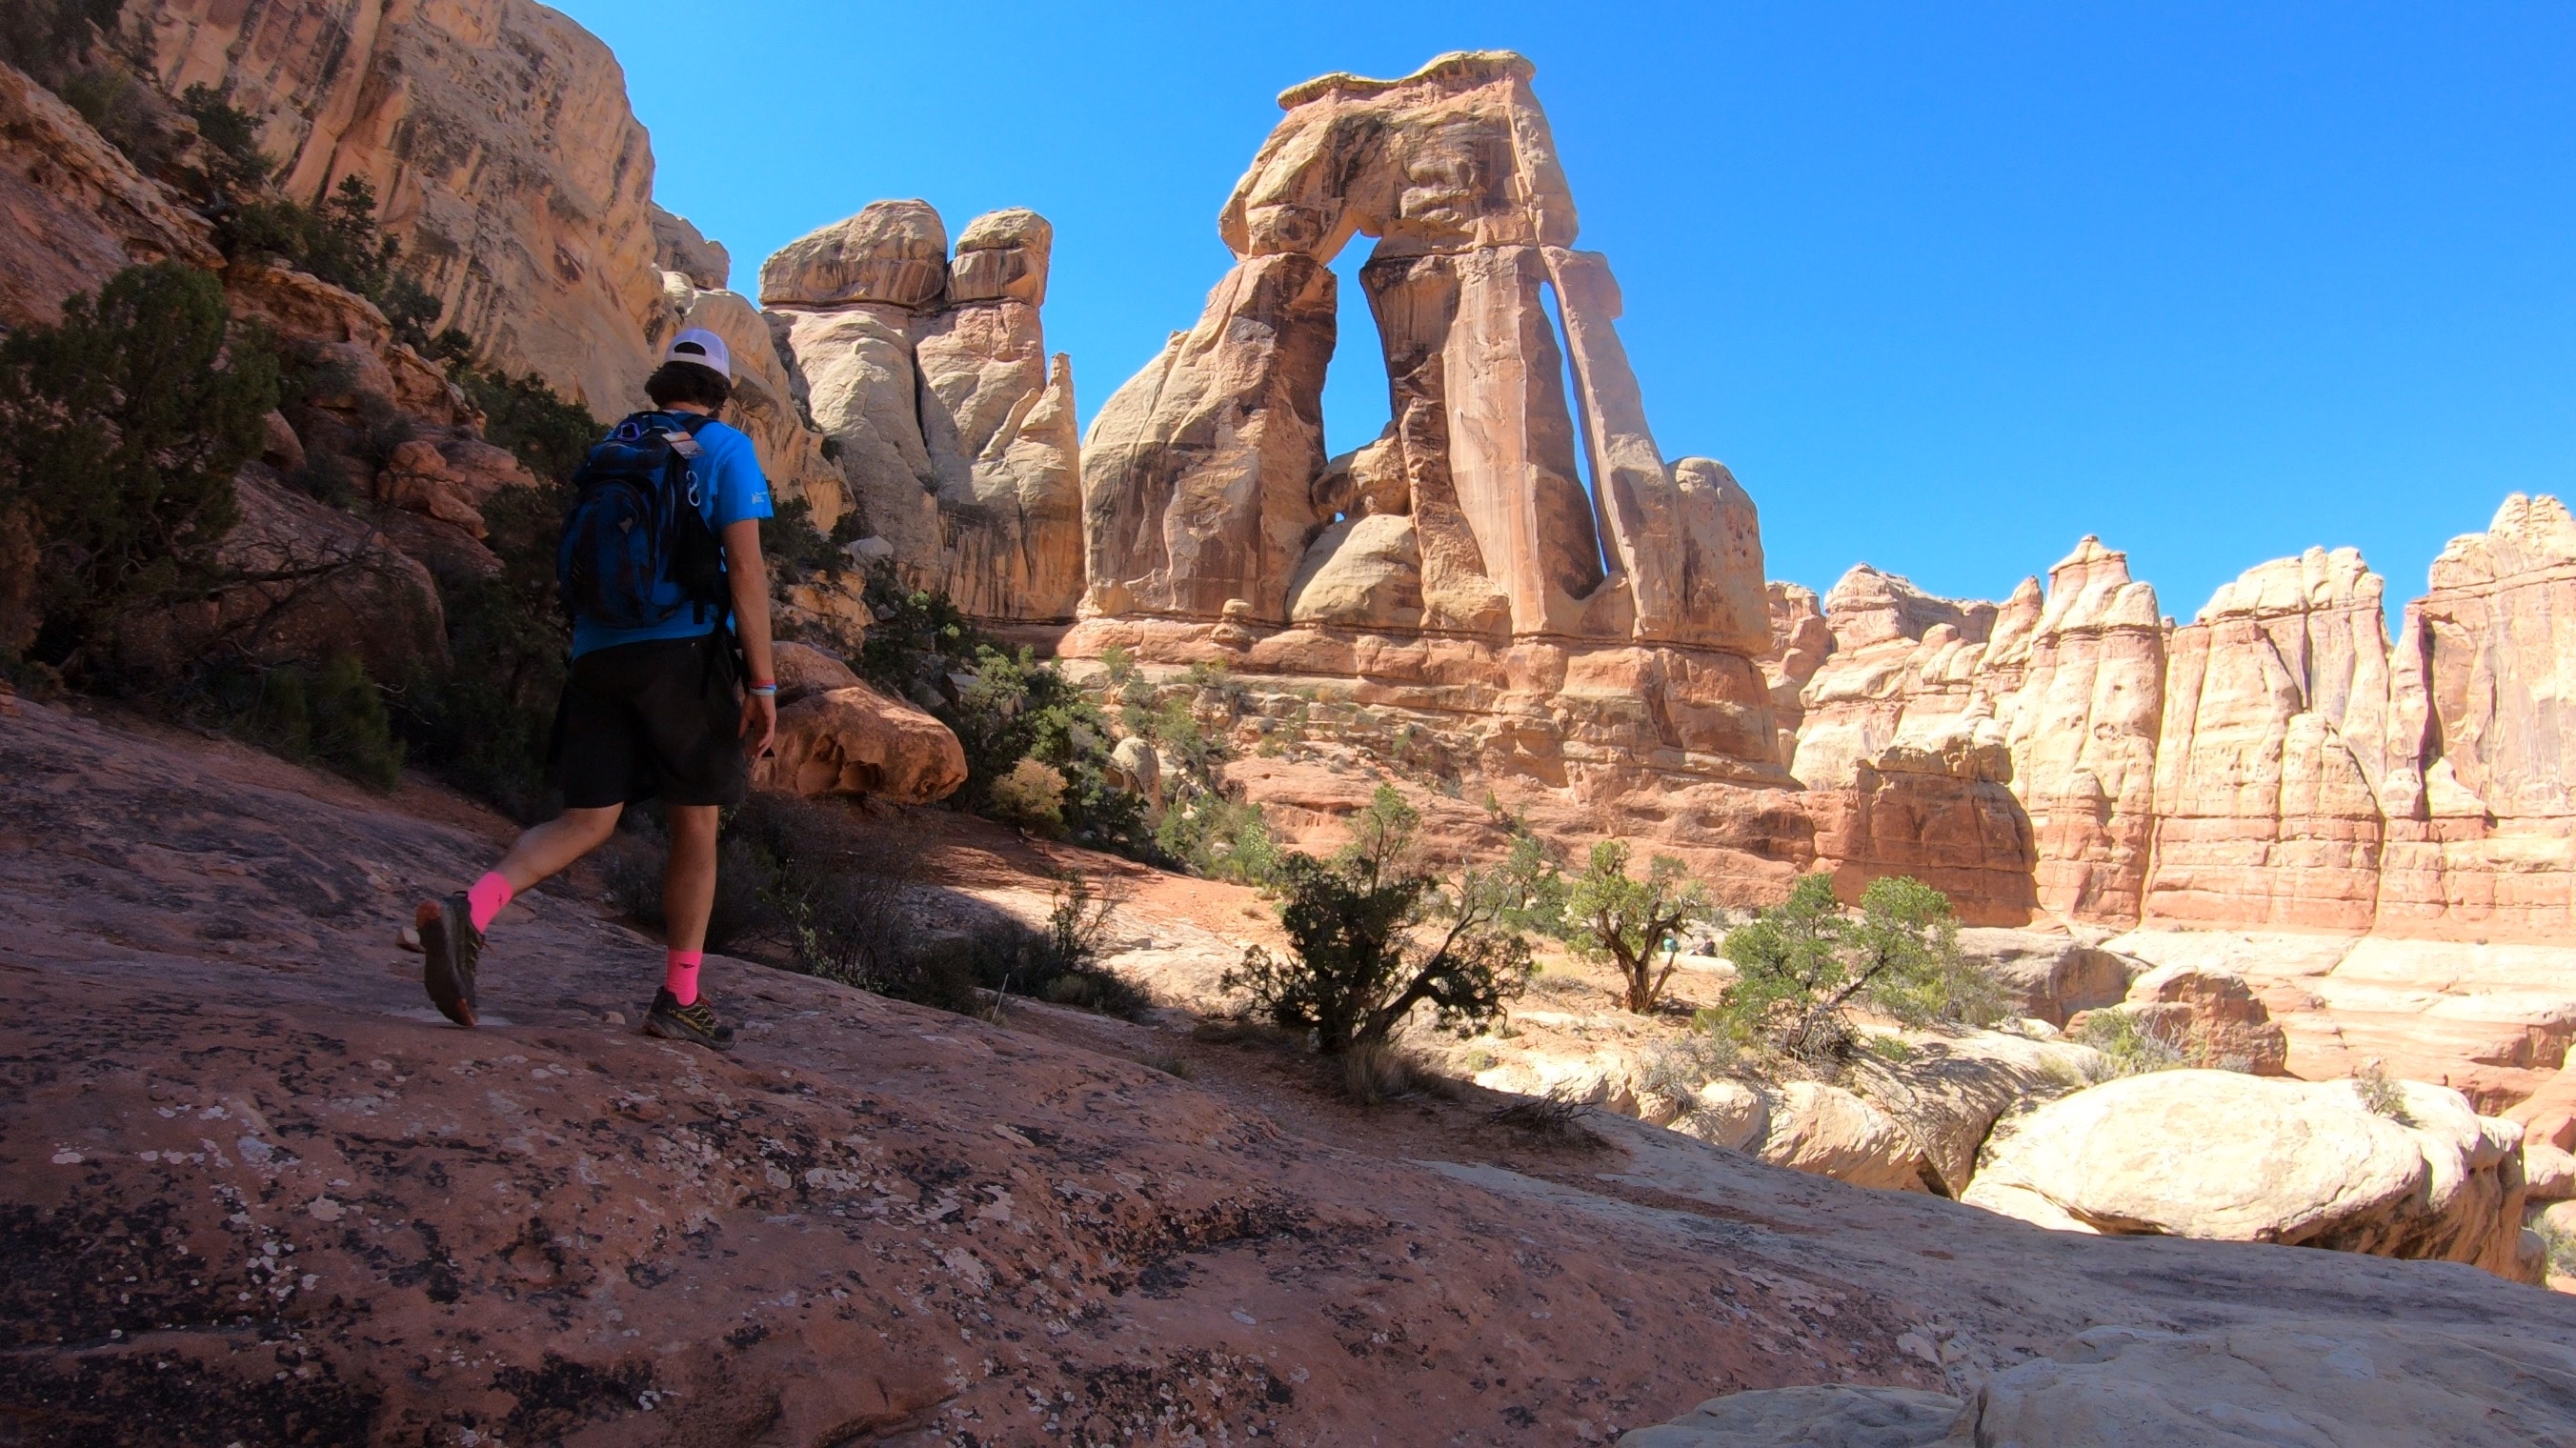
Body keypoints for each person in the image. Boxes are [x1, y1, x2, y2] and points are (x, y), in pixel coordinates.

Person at [413, 328, 777, 1051]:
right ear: (721, 393)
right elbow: (745, 572)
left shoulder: (614, 442)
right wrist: (763, 683)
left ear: (662, 380)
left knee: (586, 819)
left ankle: (473, 909)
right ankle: (680, 996)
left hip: (596, 652)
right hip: (682, 655)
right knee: (696, 824)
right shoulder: (724, 449)